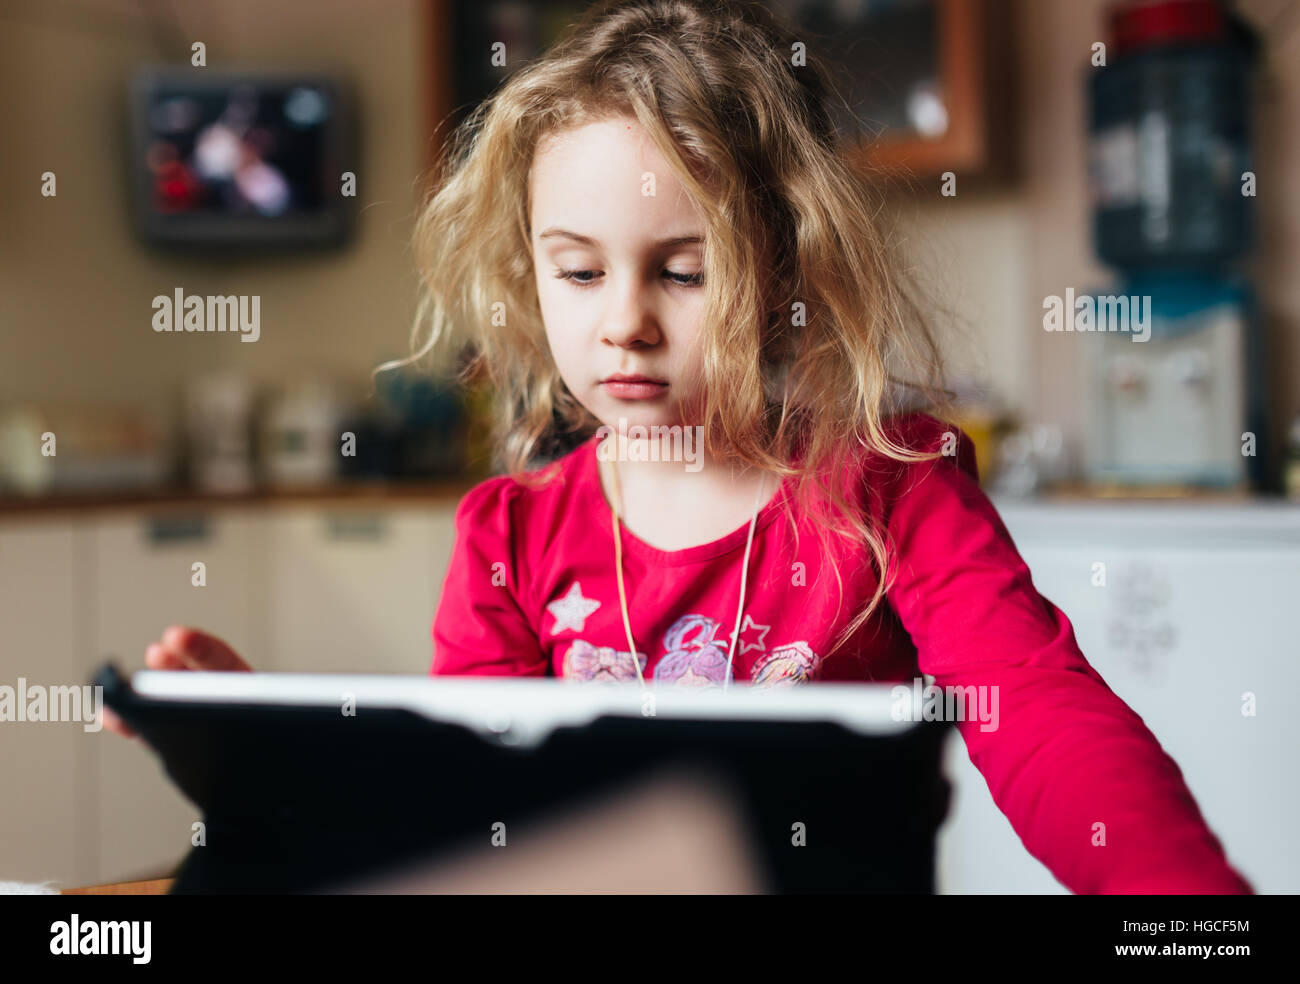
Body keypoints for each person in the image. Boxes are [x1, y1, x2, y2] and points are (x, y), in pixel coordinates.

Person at [106, 0, 1253, 894]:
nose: (623, 321)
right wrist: (268, 754)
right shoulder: (507, 539)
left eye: (682, 269)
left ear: (787, 269)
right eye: (579, 269)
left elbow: (1043, 719)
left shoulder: (892, 492)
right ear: (530, 275)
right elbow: (473, 827)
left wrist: (1178, 906)